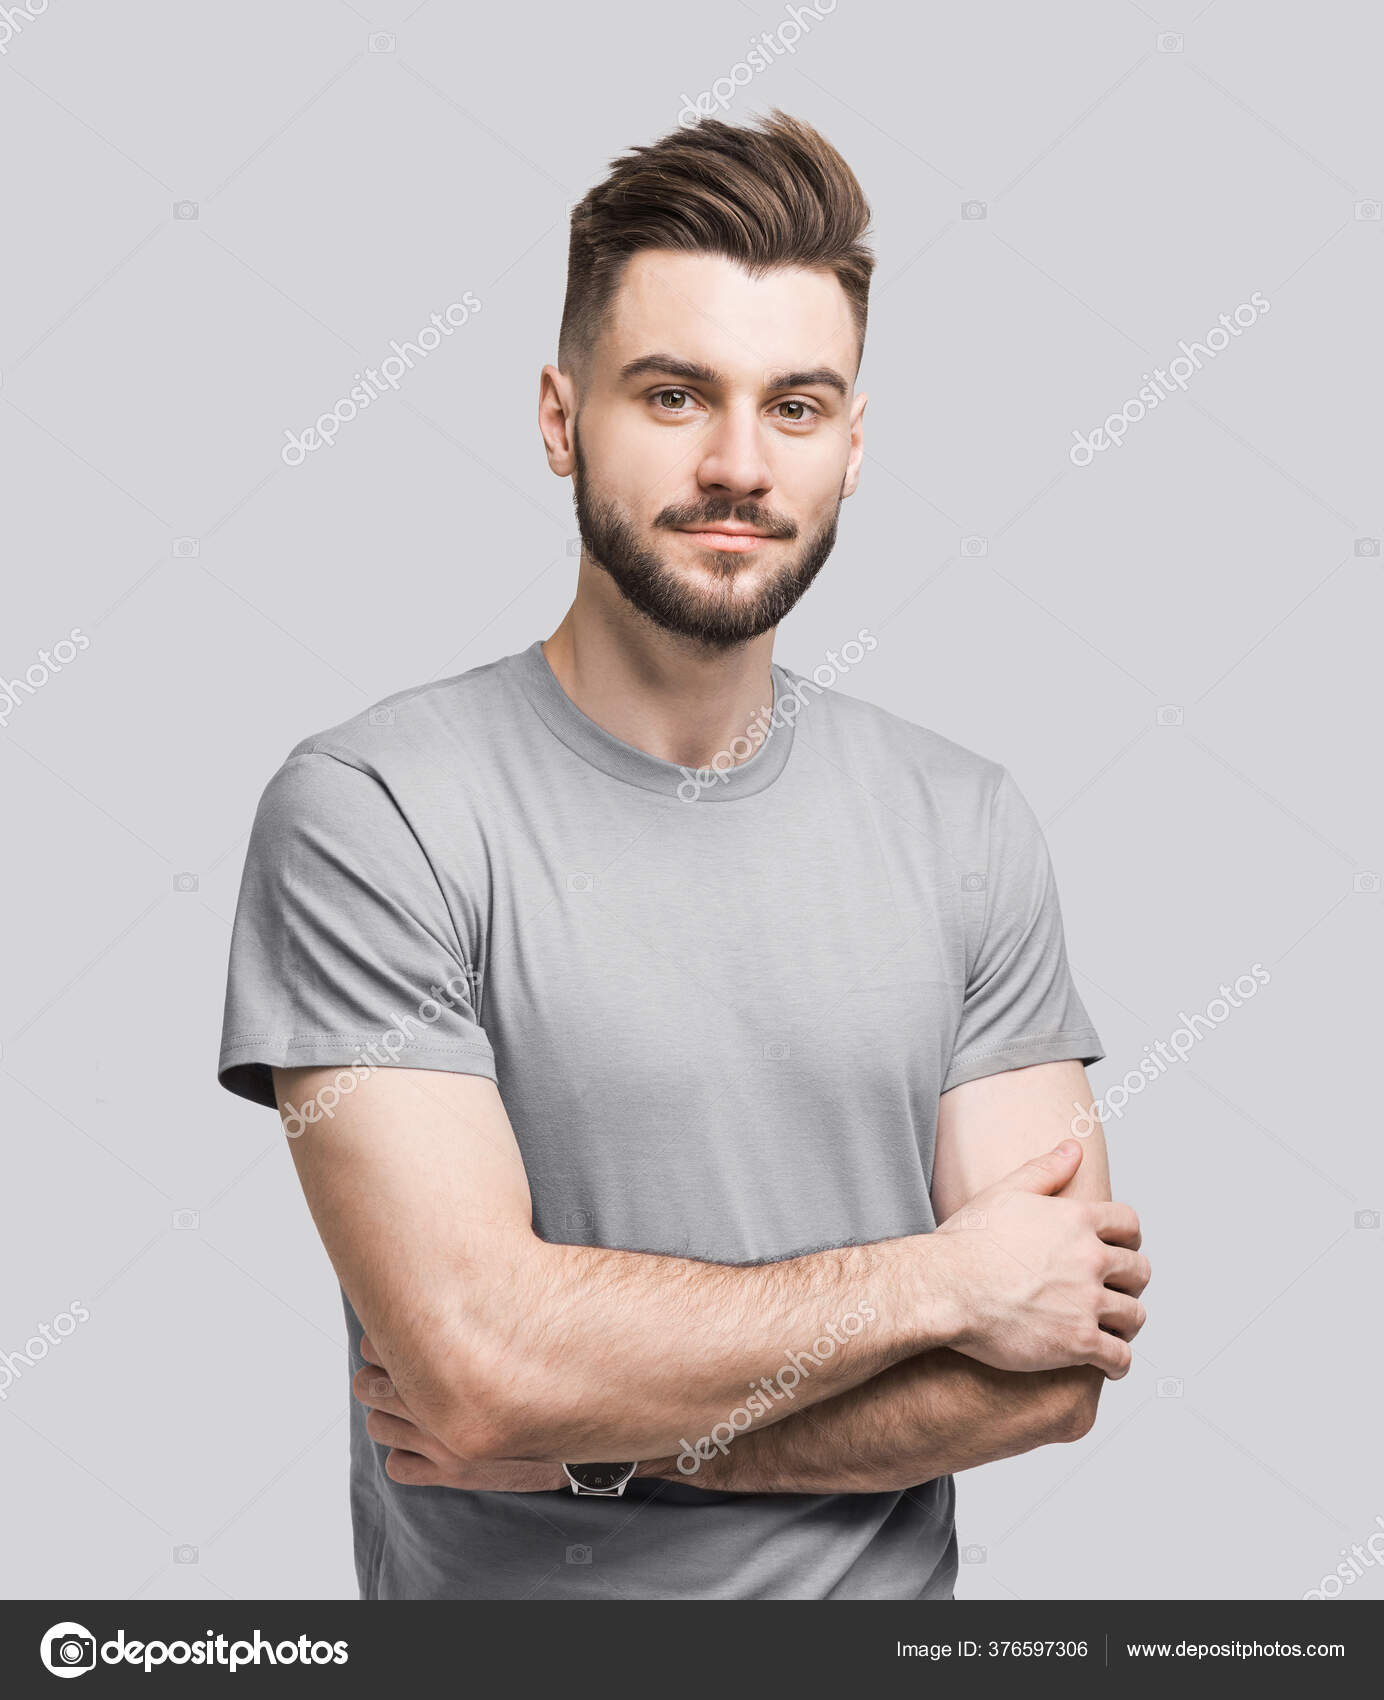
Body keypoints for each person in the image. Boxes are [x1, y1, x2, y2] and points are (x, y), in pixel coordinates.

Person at [218, 110, 1149, 1601]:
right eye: (673, 395)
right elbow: (476, 1368)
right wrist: (945, 1280)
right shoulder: (375, 812)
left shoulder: (965, 822)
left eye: (797, 407)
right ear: (559, 418)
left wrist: (597, 1454)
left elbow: (1047, 1371)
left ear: (853, 446)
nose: (737, 464)